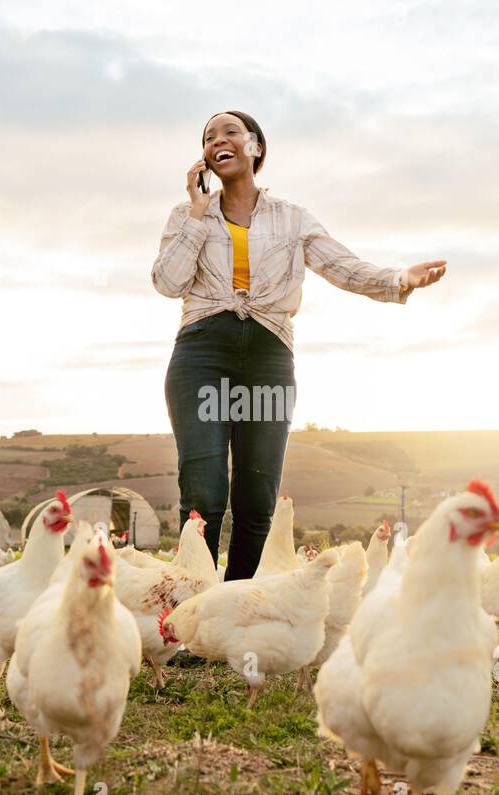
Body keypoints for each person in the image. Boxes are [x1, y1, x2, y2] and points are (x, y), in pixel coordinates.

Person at [151, 110, 446, 580]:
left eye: (230, 132)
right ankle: (194, 612)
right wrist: (197, 214)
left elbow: (343, 267)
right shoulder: (187, 216)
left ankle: (238, 609)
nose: (217, 141)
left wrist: (398, 279)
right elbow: (167, 282)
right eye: (208, 137)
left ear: (256, 148)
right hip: (202, 356)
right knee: (204, 493)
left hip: (267, 358)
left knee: (257, 494)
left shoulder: (291, 218)